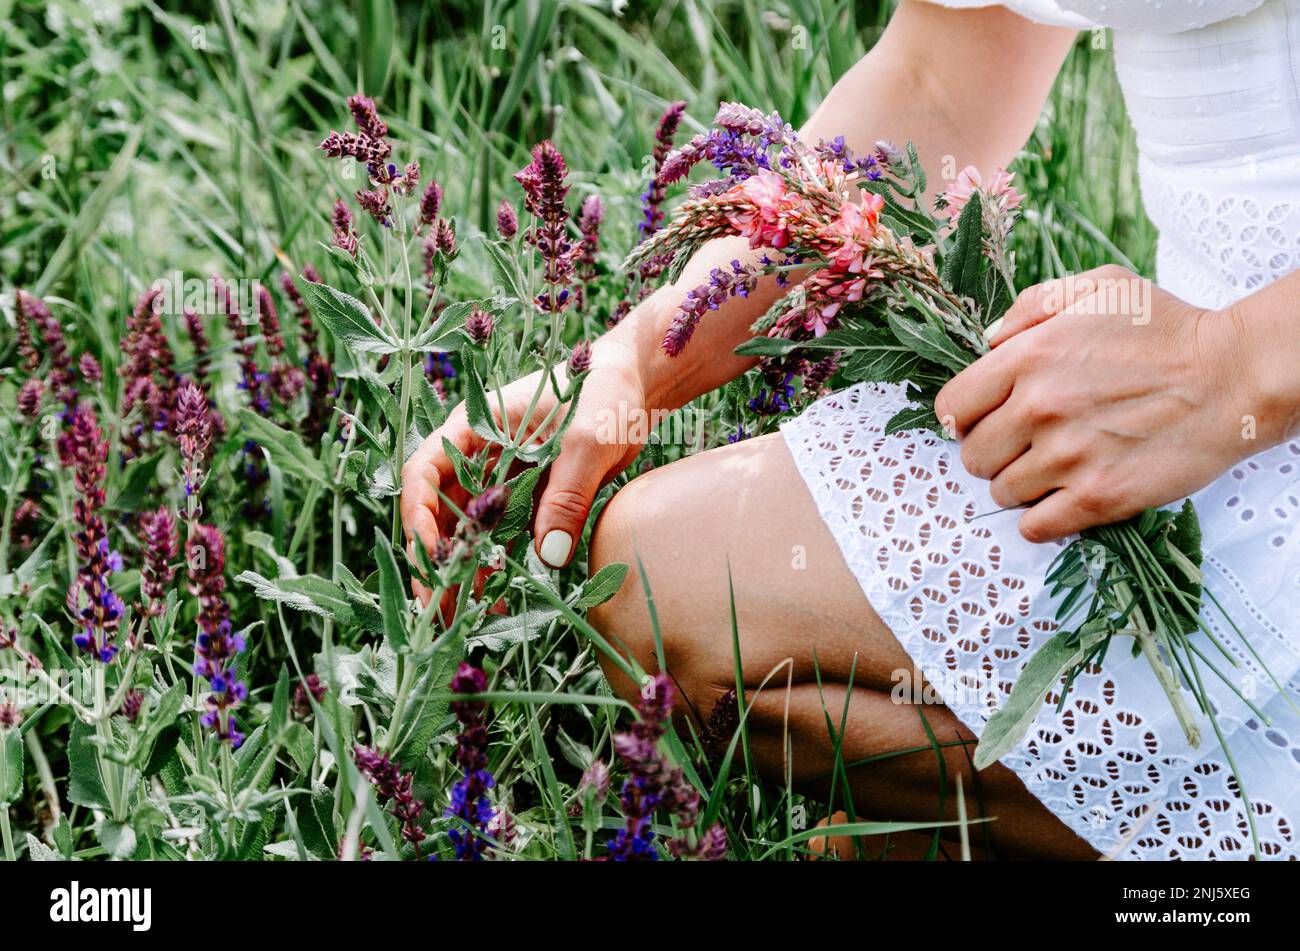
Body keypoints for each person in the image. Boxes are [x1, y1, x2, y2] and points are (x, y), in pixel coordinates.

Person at [402, 0, 1300, 859]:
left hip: (1232, 373)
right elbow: (939, 78)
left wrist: (1233, 365)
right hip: (1157, 398)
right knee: (662, 583)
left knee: (870, 839)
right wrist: (643, 356)